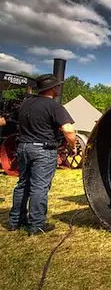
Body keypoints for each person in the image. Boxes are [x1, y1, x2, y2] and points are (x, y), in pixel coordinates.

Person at [6, 74, 76, 235]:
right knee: (39, 187)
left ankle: (14, 221)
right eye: (57, 86)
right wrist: (72, 146)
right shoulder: (54, 107)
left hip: (23, 147)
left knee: (23, 184)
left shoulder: (25, 104)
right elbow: (68, 130)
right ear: (52, 88)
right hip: (43, 150)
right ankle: (36, 225)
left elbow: (6, 121)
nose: (59, 88)